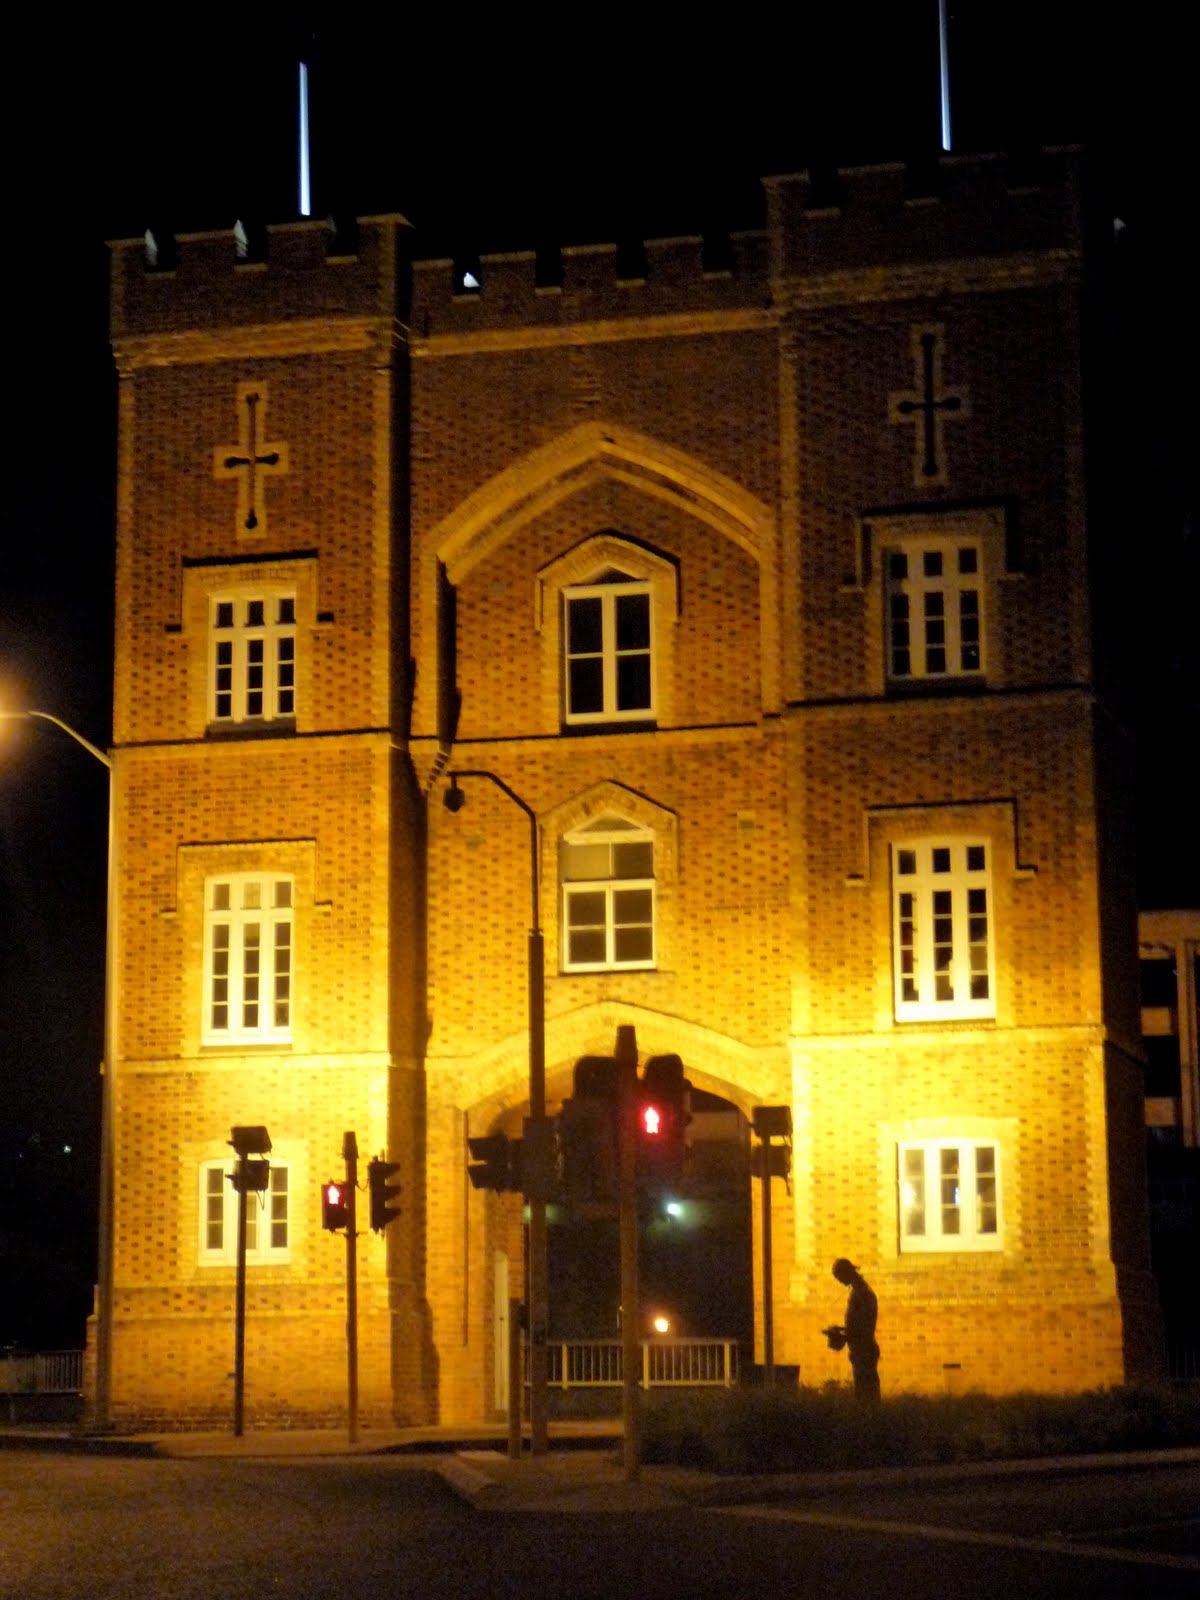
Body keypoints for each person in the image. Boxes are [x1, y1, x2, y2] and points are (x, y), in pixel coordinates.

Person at [828, 1257, 880, 1402]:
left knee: (865, 1395)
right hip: (861, 1349)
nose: (839, 1281)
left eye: (839, 1277)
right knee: (864, 1392)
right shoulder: (860, 1291)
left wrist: (843, 1335)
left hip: (864, 1350)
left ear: (846, 1273)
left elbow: (864, 1328)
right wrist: (842, 1330)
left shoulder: (861, 1293)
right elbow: (858, 1324)